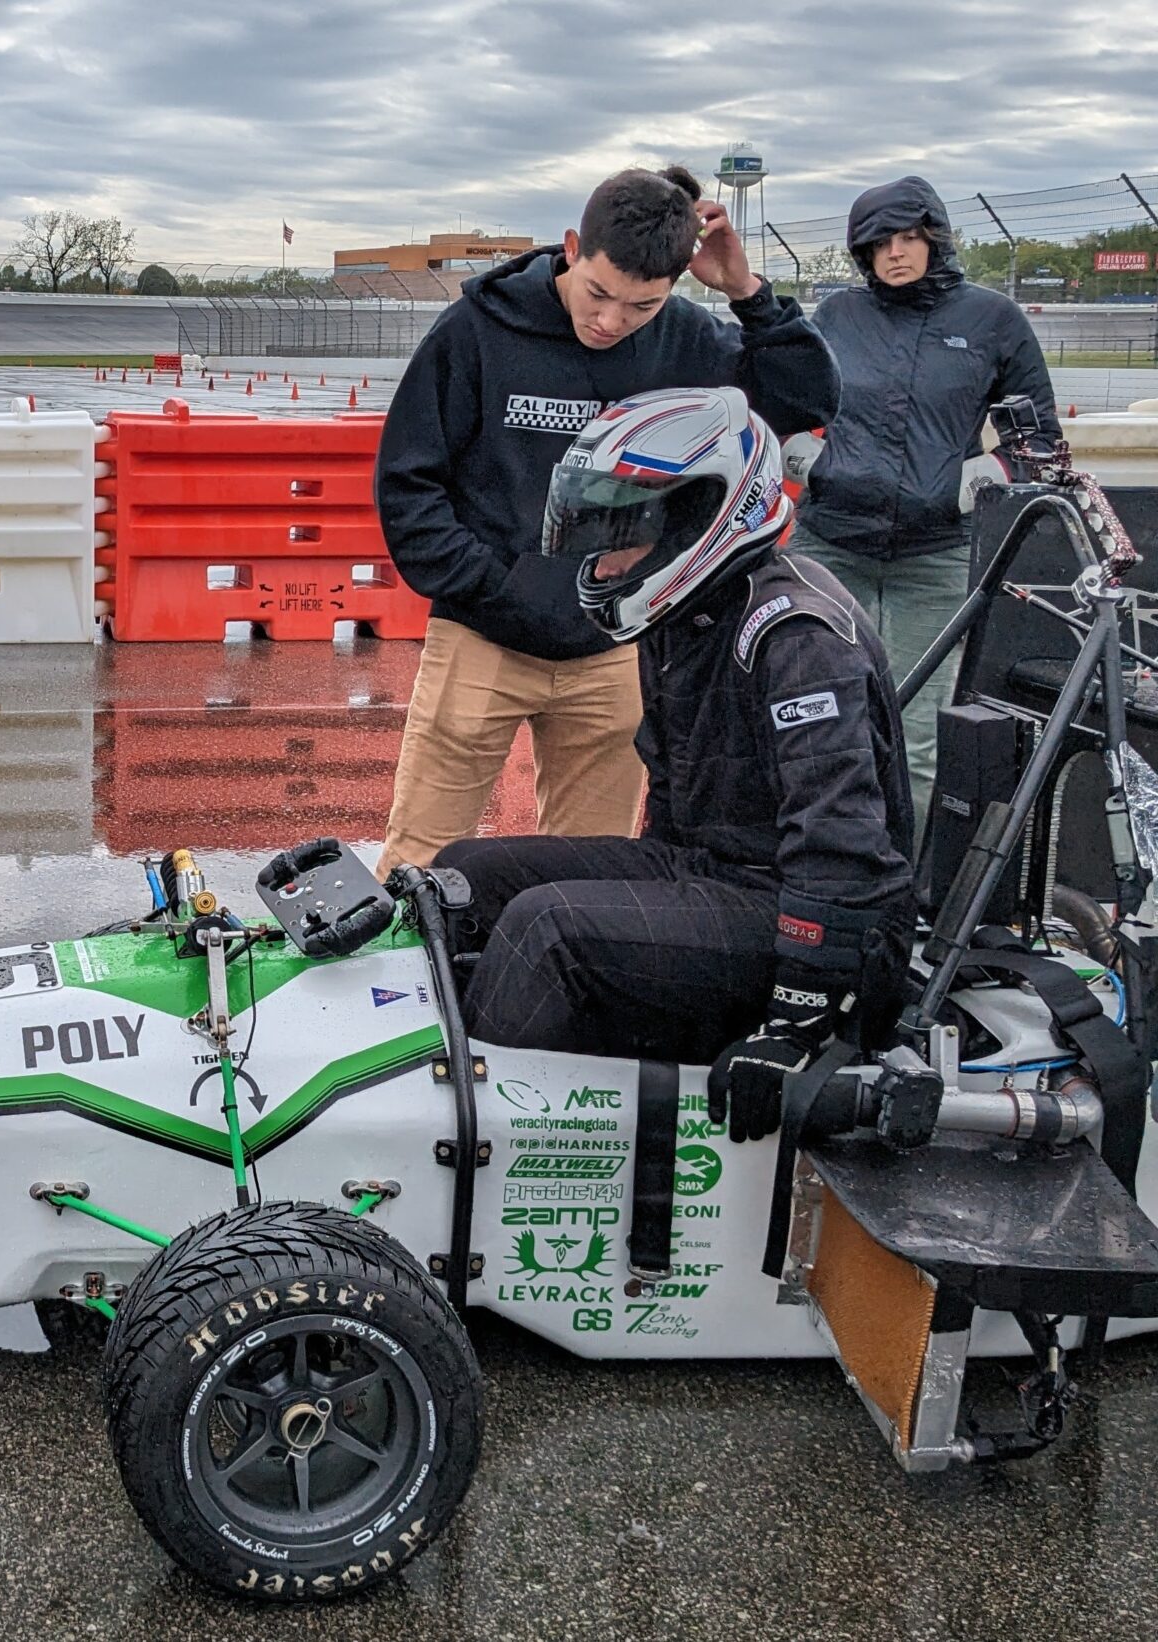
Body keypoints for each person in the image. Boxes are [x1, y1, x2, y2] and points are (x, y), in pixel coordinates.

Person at [435, 387, 915, 1141]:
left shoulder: (794, 634)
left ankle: (481, 1141)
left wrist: (798, 1018)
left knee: (546, 930)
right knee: (467, 875)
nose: (604, 554)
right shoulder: (688, 614)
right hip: (717, 872)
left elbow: (844, 852)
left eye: (624, 528)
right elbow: (675, 814)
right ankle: (443, 1059)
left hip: (819, 927)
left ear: (703, 514)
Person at [373, 164, 839, 877]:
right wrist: (497, 587)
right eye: (598, 293)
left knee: (590, 875)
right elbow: (408, 485)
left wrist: (749, 295)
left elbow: (805, 400)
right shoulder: (477, 329)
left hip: (619, 649)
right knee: (418, 864)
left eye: (640, 307)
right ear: (570, 248)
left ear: (672, 289)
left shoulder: (684, 340)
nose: (610, 321)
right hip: (482, 637)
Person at [792, 175, 1061, 829]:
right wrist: (816, 465)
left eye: (909, 237)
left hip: (933, 561)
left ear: (935, 238)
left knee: (911, 738)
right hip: (827, 550)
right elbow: (785, 406)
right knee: (813, 720)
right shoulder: (834, 317)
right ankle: (804, 881)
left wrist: (956, 490)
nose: (896, 253)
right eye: (879, 242)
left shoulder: (993, 320)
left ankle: (896, 901)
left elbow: (1040, 444)